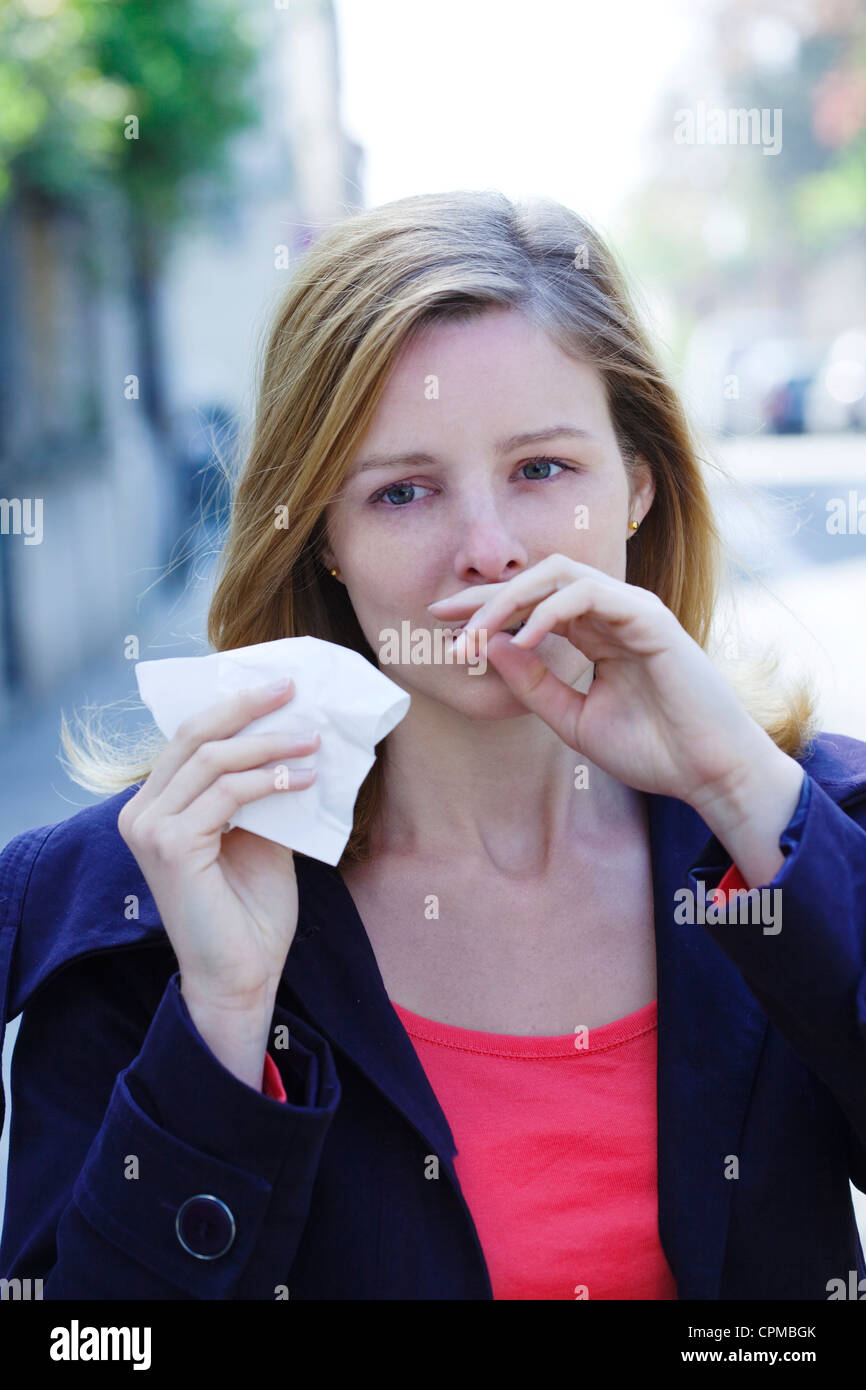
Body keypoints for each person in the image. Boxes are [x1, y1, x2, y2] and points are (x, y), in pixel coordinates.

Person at [1, 189, 865, 1301]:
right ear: (322, 538)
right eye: (403, 491)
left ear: (637, 484)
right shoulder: (147, 903)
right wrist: (219, 1023)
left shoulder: (804, 824)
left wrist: (740, 789)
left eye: (541, 469)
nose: (487, 550)